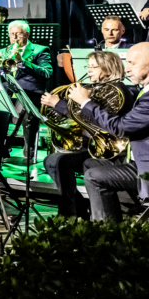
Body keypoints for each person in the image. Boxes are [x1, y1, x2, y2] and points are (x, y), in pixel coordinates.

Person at [41, 51, 132, 218]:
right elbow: (82, 116)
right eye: (87, 67)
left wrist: (60, 105)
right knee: (52, 161)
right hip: (89, 145)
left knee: (61, 162)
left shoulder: (117, 91)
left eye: (93, 67)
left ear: (108, 68)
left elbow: (98, 120)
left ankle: (68, 212)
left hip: (109, 151)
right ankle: (79, 205)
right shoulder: (94, 88)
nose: (89, 70)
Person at [69, 42, 149, 221]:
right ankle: (105, 221)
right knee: (91, 164)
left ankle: (107, 236)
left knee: (94, 176)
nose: (126, 69)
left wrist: (85, 103)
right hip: (137, 162)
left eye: (132, 63)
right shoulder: (144, 92)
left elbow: (121, 127)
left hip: (146, 170)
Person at [0, 20, 53, 163]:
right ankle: (1, 149)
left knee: (26, 113)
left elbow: (47, 73)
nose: (14, 38)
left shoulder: (40, 50)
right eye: (11, 34)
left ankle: (29, 151)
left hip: (29, 93)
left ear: (26, 34)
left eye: (18, 34)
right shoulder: (3, 51)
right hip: (8, 92)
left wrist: (23, 62)